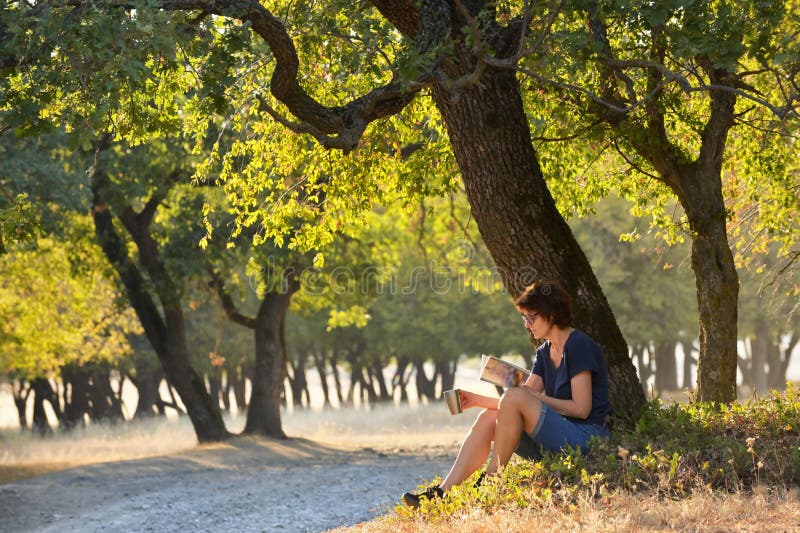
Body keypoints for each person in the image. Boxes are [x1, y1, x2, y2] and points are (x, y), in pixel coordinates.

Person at [402, 280, 611, 507]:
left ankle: (491, 482)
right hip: (555, 437)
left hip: (585, 438)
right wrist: (476, 400)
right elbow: (517, 403)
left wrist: (534, 398)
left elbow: (581, 409)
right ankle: (442, 493)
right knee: (488, 417)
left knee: (515, 396)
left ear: (551, 314)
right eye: (525, 319)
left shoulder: (578, 345)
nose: (527, 325)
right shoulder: (545, 352)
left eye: (531, 318)